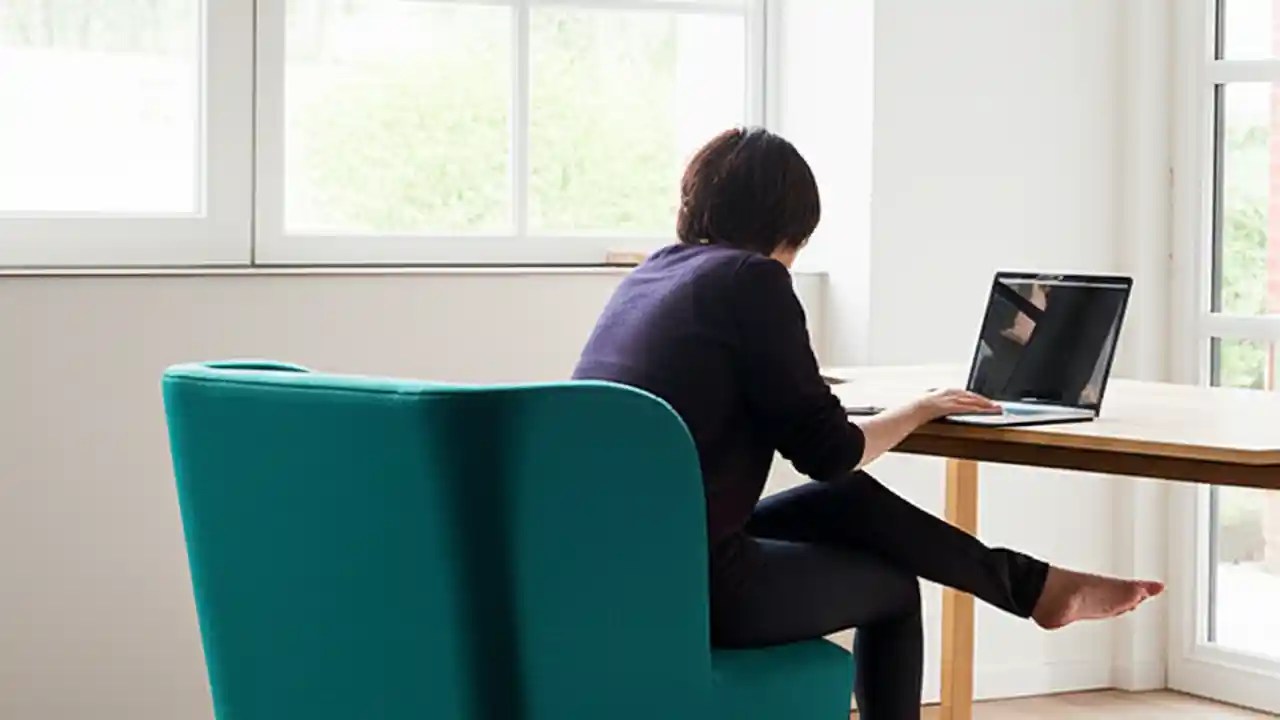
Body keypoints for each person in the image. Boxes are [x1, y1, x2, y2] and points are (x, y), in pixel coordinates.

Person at [572, 127, 1163, 719]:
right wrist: (920, 408)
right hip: (695, 588)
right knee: (894, 590)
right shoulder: (753, 281)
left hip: (620, 568)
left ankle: (1036, 586)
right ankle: (1037, 589)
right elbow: (829, 452)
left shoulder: (652, 276)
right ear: (788, 227)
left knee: (846, 502)